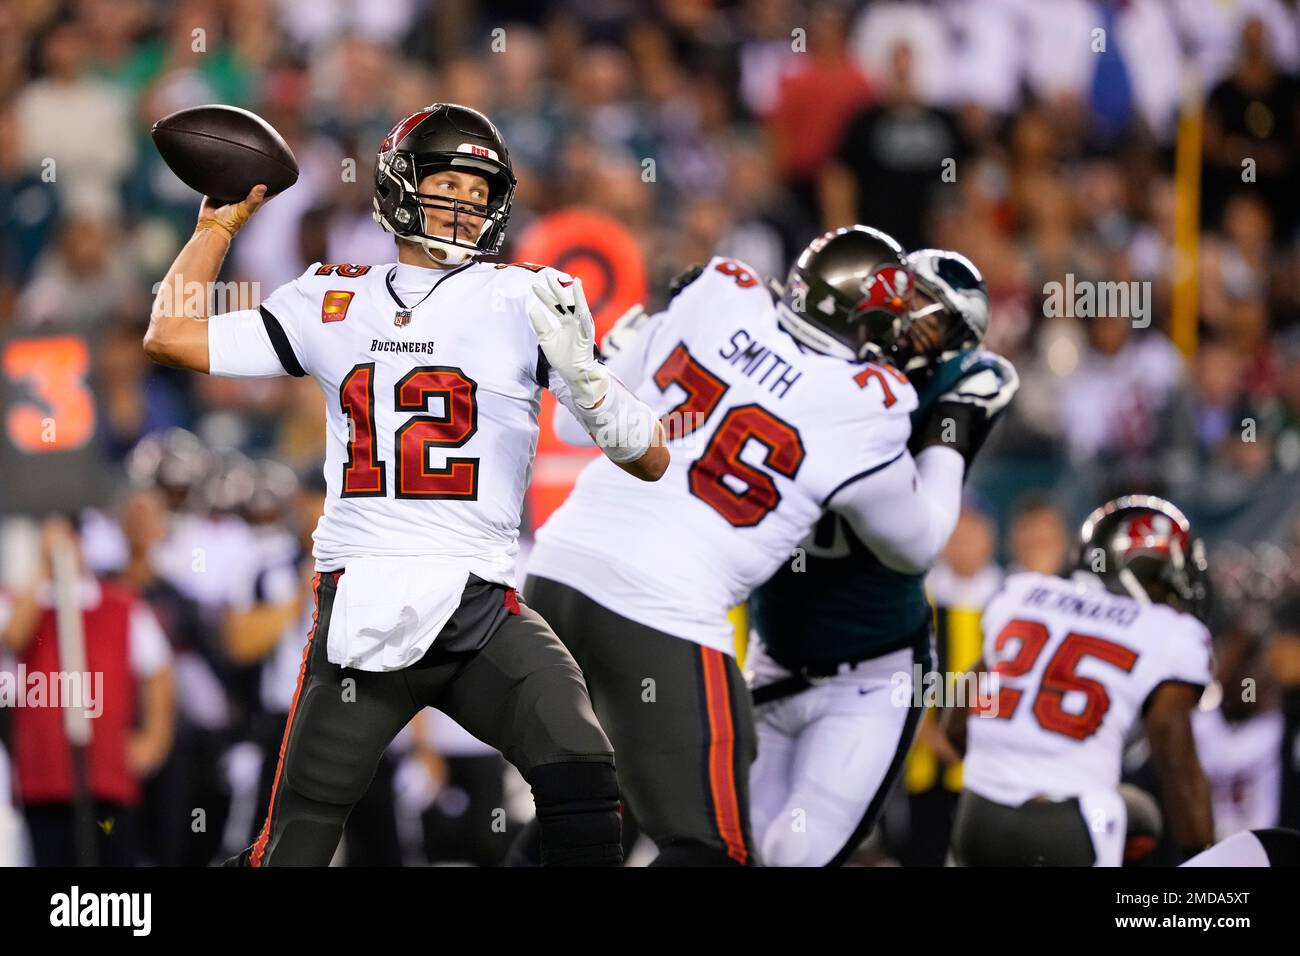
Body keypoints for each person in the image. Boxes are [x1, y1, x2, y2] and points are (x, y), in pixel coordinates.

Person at [143, 102, 669, 867]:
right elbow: (171, 334)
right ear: (401, 185)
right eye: (448, 181)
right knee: (292, 848)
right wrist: (216, 227)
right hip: (363, 609)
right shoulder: (333, 293)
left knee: (587, 788)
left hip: (482, 604)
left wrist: (587, 381)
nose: (465, 202)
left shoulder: (523, 298)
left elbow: (650, 456)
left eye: (480, 190)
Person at [519, 226, 968, 865]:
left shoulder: (723, 290)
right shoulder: (870, 404)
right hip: (662, 612)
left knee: (581, 821)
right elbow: (917, 545)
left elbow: (569, 420)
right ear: (867, 323)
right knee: (711, 849)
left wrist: (637, 335)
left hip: (556, 575)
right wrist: (955, 431)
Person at [747, 249, 1018, 866]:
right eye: (905, 295)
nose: (905, 318)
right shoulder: (808, 350)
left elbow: (930, 512)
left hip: (869, 673)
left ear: (954, 341)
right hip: (771, 654)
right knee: (731, 847)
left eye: (929, 316)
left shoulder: (955, 384)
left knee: (797, 853)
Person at [945, 496, 1217, 866]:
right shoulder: (1168, 632)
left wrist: (1010, 777)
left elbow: (957, 720)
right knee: (1143, 818)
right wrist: (1202, 856)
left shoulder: (1027, 593)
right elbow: (1174, 754)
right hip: (1070, 826)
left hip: (978, 814)